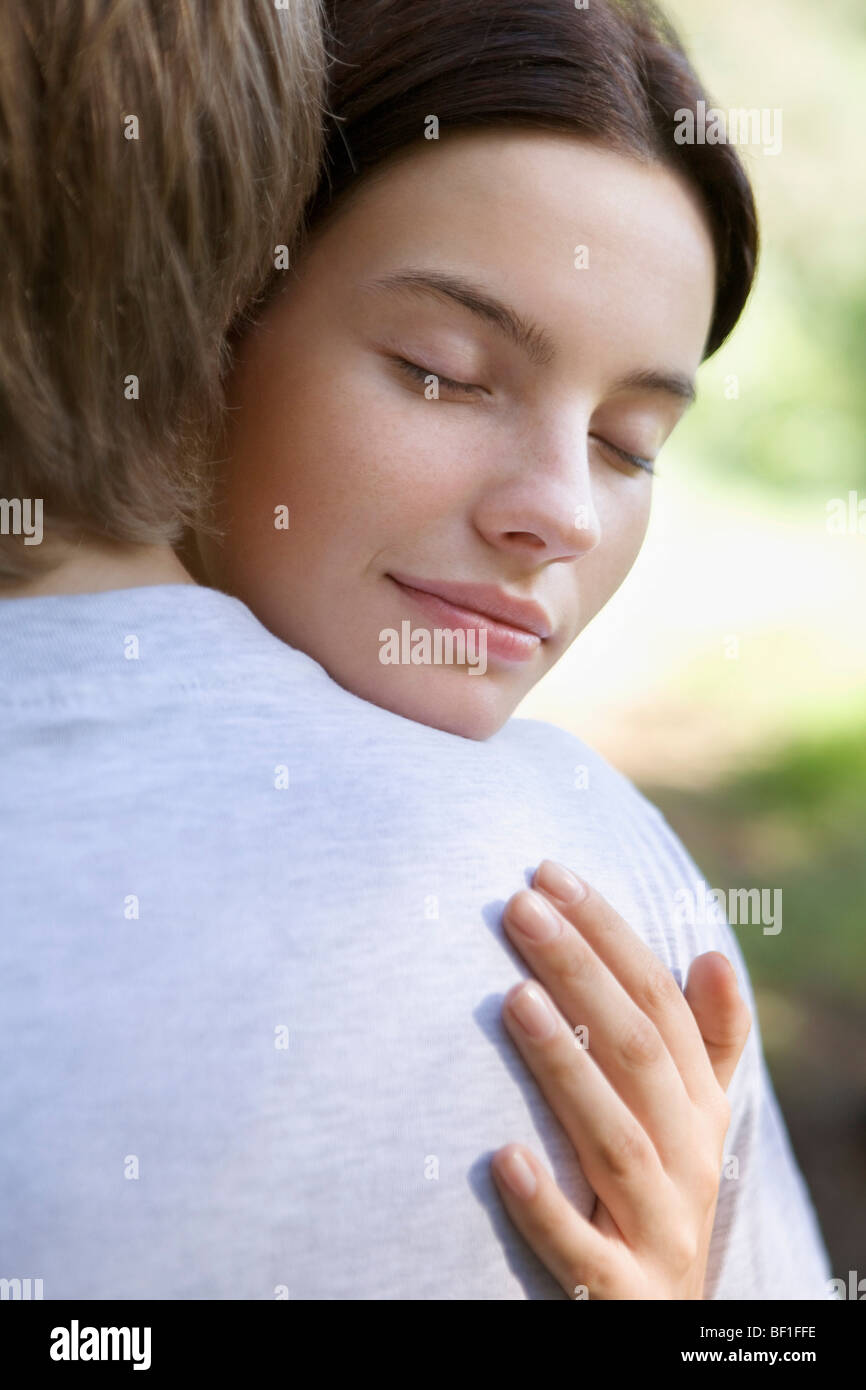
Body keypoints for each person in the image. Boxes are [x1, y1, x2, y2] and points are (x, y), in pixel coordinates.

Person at [0, 0, 831, 1299]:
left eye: (627, 444)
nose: (557, 511)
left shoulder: (594, 924)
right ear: (209, 321)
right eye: (445, 371)